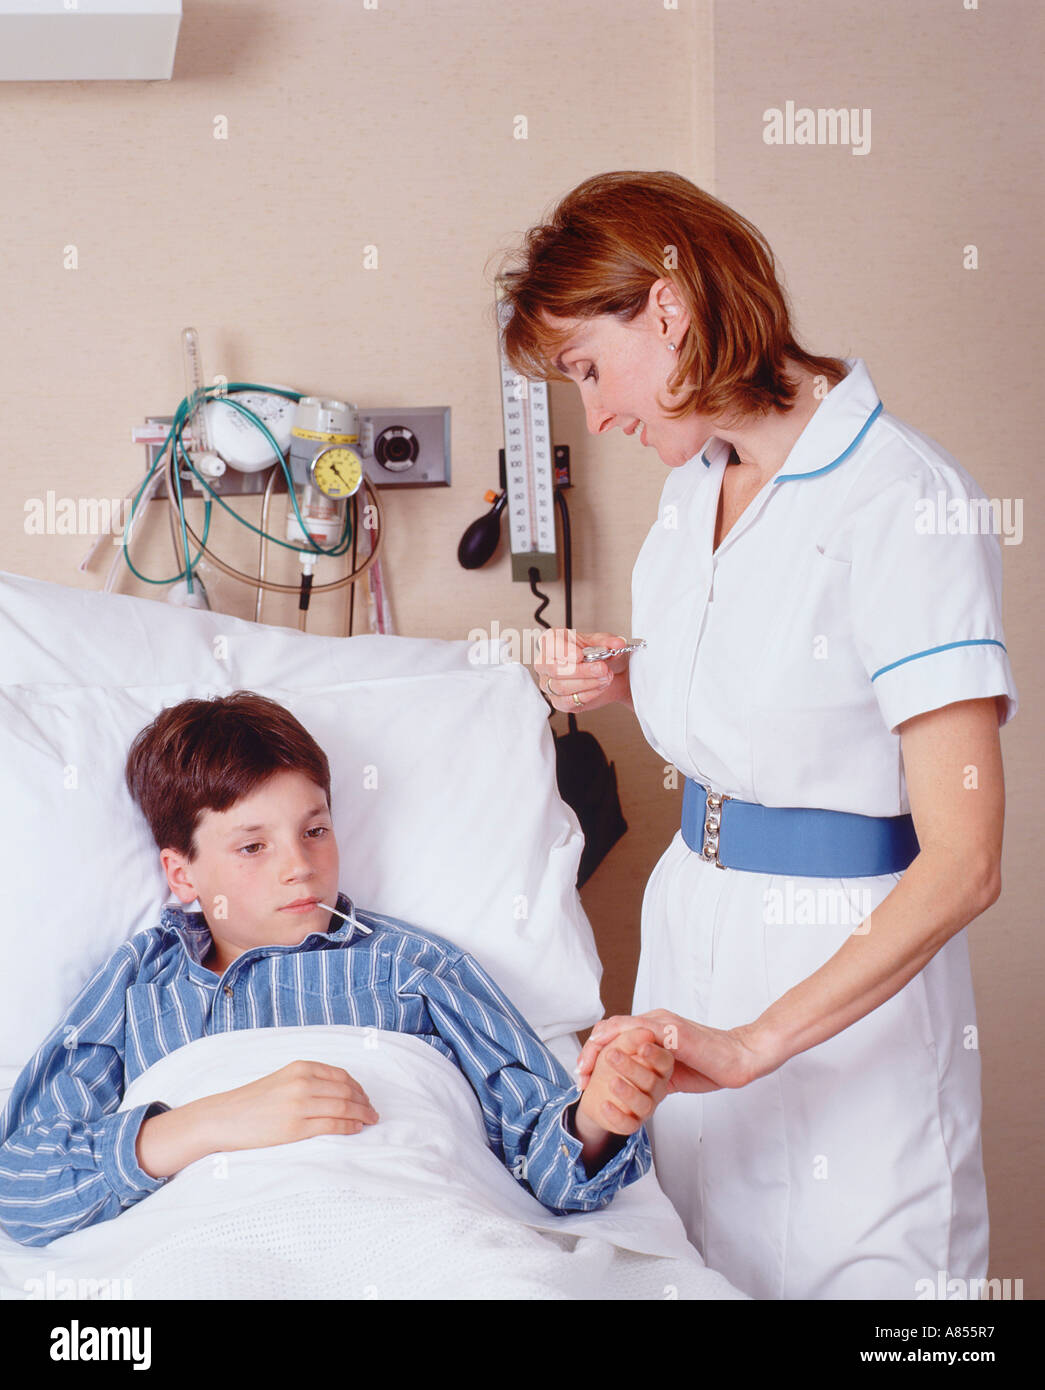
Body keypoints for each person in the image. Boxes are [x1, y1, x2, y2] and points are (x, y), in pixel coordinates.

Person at [502, 169, 1019, 1300]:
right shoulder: (698, 483)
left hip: (841, 970)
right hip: (694, 927)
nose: (595, 415)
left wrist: (753, 1045)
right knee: (704, 1270)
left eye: (590, 369)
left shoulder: (899, 501)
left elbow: (967, 861)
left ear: (669, 312)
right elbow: (792, 704)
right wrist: (628, 679)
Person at [0, 691, 674, 1248]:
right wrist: (208, 1122)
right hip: (210, 1244)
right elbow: (23, 1187)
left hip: (419, 1233)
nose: (299, 865)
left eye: (314, 830)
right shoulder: (137, 987)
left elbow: (543, 1163)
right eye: (253, 845)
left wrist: (597, 1121)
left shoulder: (412, 965)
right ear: (181, 874)